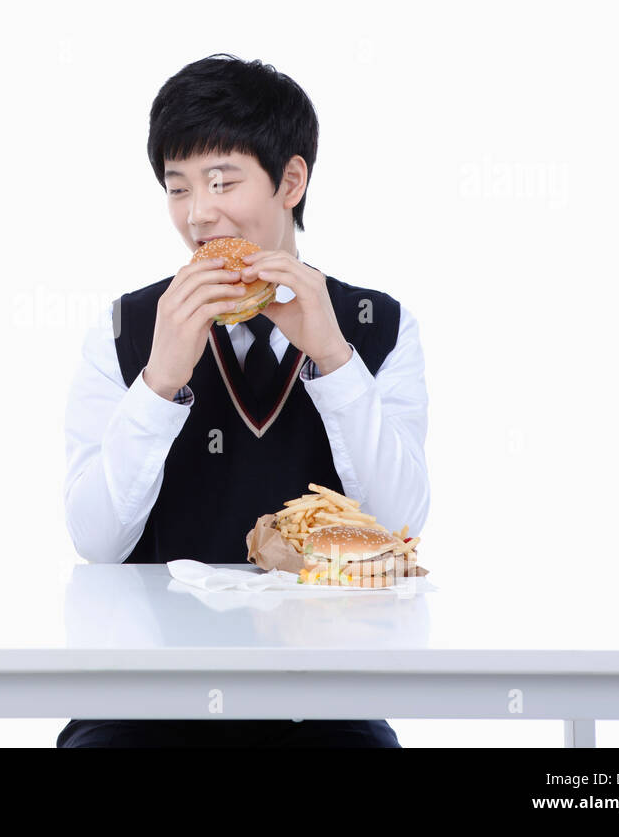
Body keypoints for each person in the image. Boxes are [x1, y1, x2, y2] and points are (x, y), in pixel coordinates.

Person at [57, 54, 430, 748]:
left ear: (291, 180)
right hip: (143, 693)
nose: (199, 215)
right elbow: (95, 543)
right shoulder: (126, 328)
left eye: (222, 180)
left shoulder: (380, 325)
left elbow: (402, 523)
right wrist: (160, 380)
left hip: (325, 697)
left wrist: (334, 359)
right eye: (178, 188)